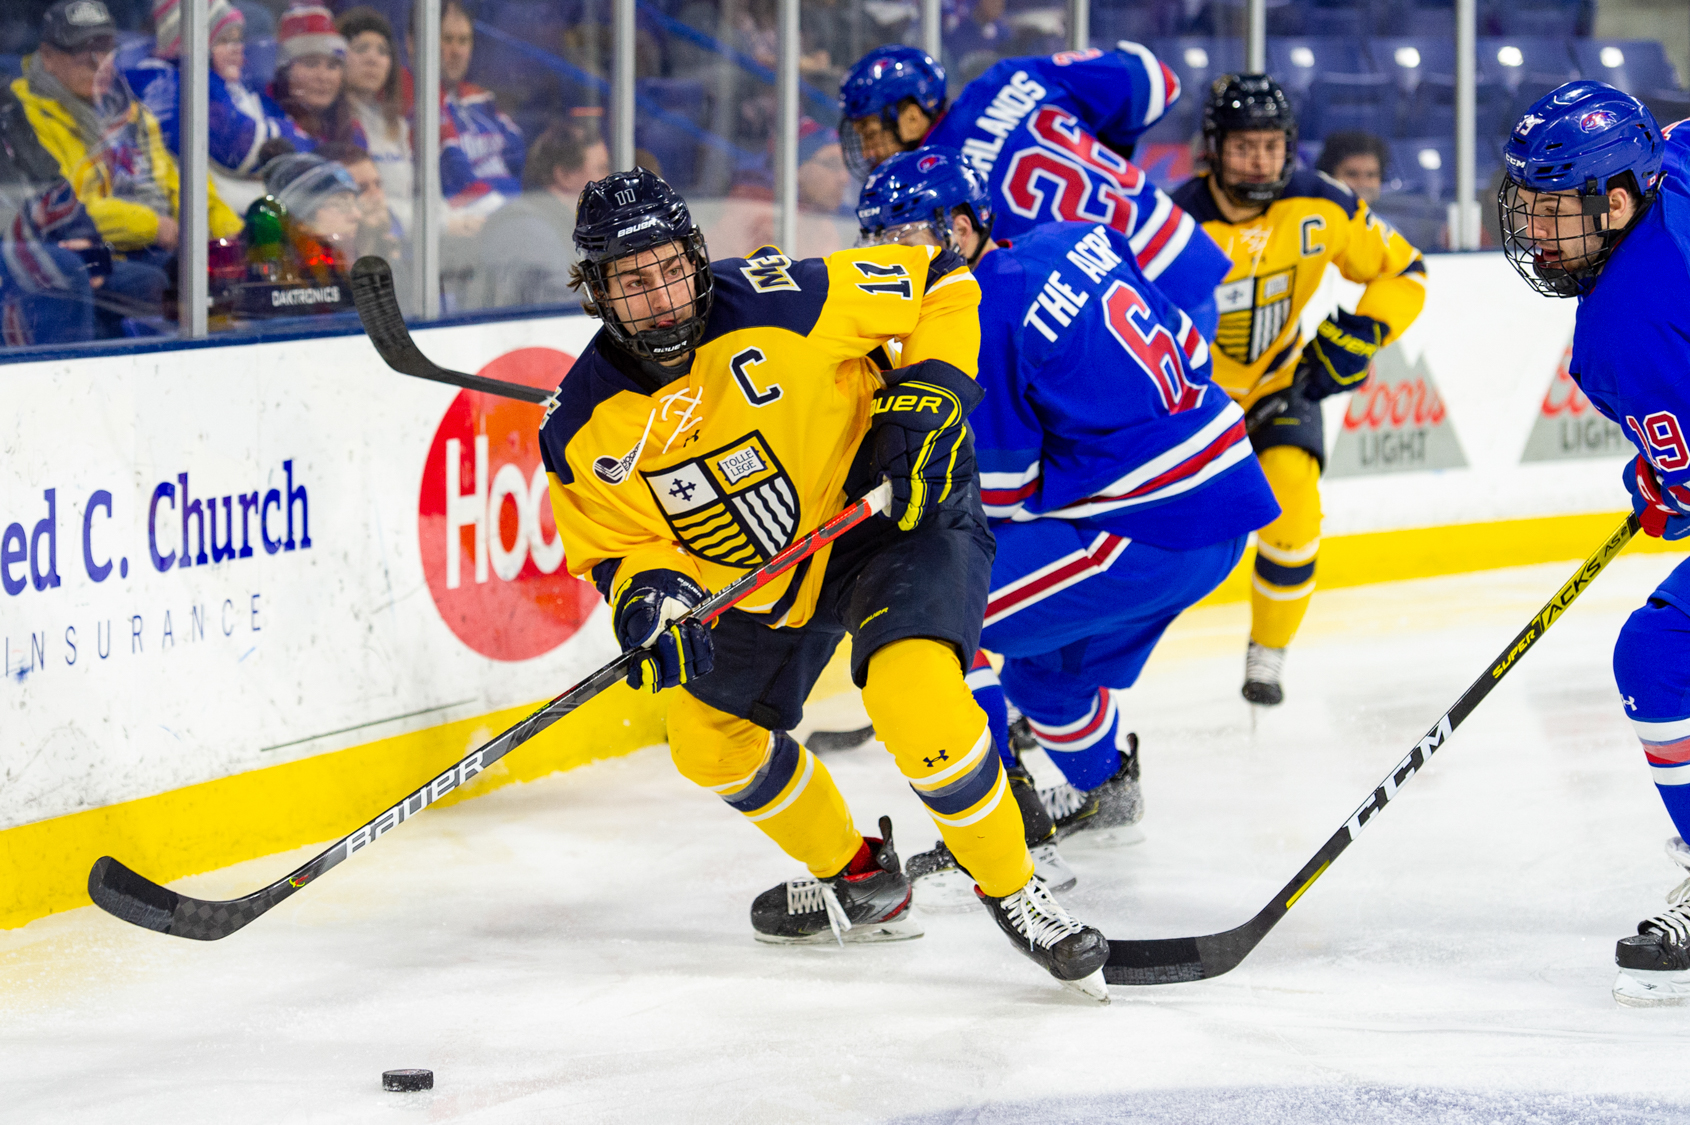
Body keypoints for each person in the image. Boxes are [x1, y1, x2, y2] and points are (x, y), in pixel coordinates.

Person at [537, 168, 1113, 1001]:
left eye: (669, 267)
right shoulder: (579, 426)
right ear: (595, 293)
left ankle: (1013, 884)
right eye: (632, 281)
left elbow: (943, 278)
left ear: (697, 258)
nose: (660, 296)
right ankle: (862, 875)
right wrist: (652, 601)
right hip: (763, 577)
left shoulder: (786, 295)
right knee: (706, 741)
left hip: (885, 508)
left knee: (916, 700)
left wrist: (931, 396)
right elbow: (620, 548)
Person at [856, 148, 1277, 889]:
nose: (890, 261)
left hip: (1147, 527)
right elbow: (1186, 334)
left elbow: (999, 496)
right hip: (1218, 497)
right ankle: (1106, 788)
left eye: (904, 240)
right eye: (876, 243)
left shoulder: (980, 316)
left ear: (958, 228)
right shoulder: (1073, 234)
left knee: (940, 617)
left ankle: (1003, 832)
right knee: (1046, 681)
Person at [1495, 83, 1690, 1004]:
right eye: (1527, 207)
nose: (1535, 233)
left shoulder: (1620, 332)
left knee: (1659, 657)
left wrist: (1660, 486)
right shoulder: (1677, 156)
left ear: (1618, 200)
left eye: (1552, 210)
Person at [1167, 75, 1426, 707]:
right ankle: (1063, 682)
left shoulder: (1324, 203)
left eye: (1272, 144)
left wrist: (1364, 332)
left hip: (1280, 386)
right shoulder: (1170, 222)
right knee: (1136, 552)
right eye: (1243, 145)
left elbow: (1405, 270)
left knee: (1295, 519)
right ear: (1213, 148)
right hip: (1188, 406)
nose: (1259, 159)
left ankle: (1268, 651)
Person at [837, 43, 1229, 330]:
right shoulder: (1010, 78)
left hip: (1114, 307)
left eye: (872, 133)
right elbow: (1155, 81)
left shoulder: (936, 181)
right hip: (1183, 255)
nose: (869, 150)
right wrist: (1105, 146)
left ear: (910, 116)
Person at [15, 0, 240, 327]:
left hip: (157, 244)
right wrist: (153, 225)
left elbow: (179, 181)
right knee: (160, 282)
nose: (100, 64)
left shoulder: (128, 108)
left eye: (106, 51)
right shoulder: (27, 117)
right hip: (88, 254)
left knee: (232, 271)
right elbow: (67, 211)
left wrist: (226, 232)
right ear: (48, 58)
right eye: (84, 54)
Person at [127, 0, 312, 214]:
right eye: (223, 41)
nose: (237, 49)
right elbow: (243, 150)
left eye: (238, 40)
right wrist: (291, 141)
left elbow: (294, 139)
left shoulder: (234, 87)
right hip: (203, 218)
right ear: (189, 46)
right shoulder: (173, 83)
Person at [465, 120, 606, 310]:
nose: (608, 179)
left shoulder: (567, 225)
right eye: (601, 169)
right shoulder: (525, 229)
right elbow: (564, 311)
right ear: (565, 175)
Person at [438, 0, 523, 228]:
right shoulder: (422, 104)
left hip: (514, 210)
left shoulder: (482, 98)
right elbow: (456, 178)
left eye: (463, 40)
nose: (456, 51)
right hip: (478, 220)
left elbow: (519, 158)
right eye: (447, 39)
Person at [336, 5, 410, 234]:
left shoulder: (398, 126)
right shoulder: (334, 125)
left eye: (382, 51)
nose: (373, 59)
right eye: (361, 48)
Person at [271, 2, 363, 150]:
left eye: (332, 66)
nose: (323, 77)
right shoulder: (268, 125)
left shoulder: (352, 131)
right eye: (311, 64)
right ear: (284, 72)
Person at [1315, 130, 1388, 205]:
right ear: (1329, 176)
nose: (1363, 183)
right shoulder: (1312, 215)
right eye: (1352, 174)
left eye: (1371, 175)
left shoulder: (1386, 214)